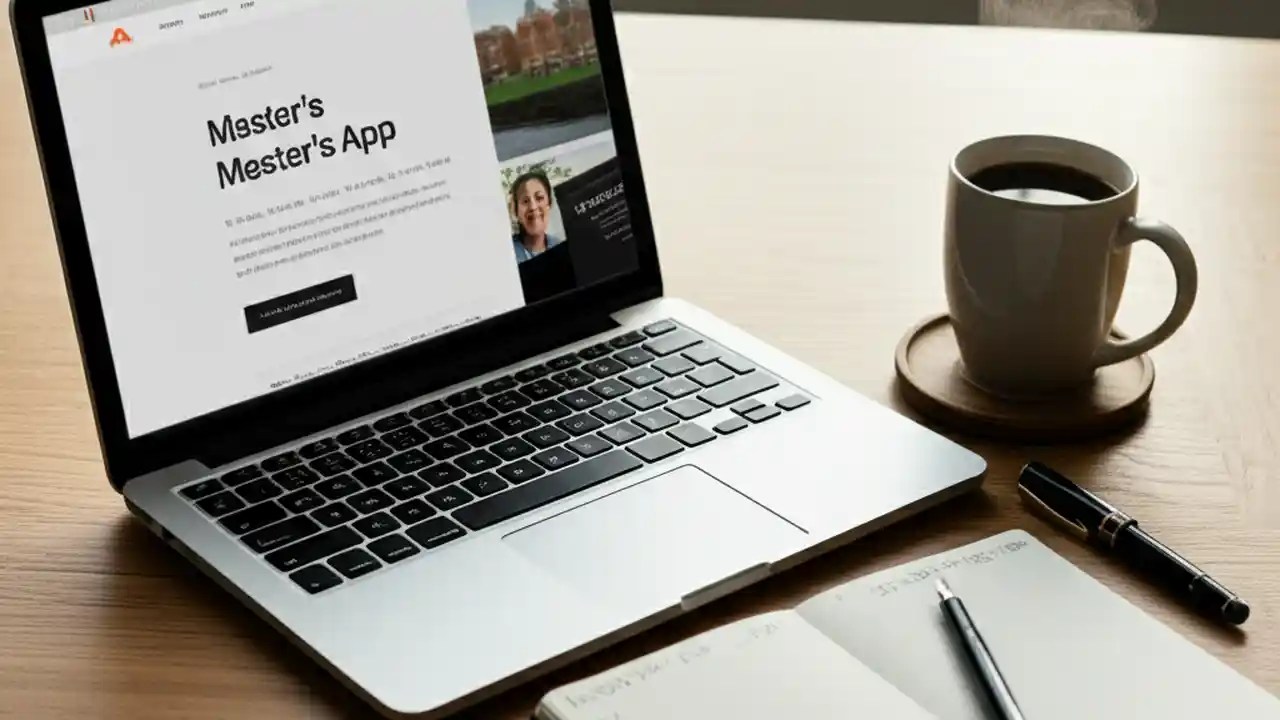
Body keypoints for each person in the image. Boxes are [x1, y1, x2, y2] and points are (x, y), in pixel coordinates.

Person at [509, 171, 564, 263]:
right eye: (525, 201)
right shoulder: (508, 253)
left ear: (549, 203)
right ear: (516, 211)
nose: (533, 207)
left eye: (539, 198)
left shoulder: (560, 245)